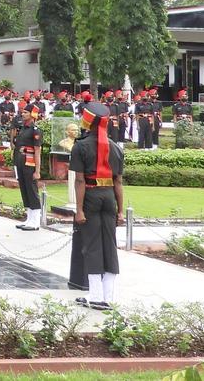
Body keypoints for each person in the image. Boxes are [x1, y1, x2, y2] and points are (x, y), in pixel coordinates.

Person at [70, 102, 125, 310]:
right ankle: (108, 295)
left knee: (92, 245)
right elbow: (118, 182)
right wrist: (121, 211)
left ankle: (95, 295)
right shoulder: (115, 147)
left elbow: (80, 181)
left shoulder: (81, 146)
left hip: (91, 196)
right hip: (109, 197)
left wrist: (79, 210)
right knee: (109, 244)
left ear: (88, 121)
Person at [13, 106, 44, 230]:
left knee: (32, 190)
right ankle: (29, 219)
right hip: (20, 162)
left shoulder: (35, 130)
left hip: (30, 164)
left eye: (26, 112)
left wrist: (37, 171)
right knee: (24, 190)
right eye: (23, 112)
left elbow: (37, 151)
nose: (23, 114)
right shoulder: (23, 128)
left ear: (32, 114)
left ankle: (35, 221)